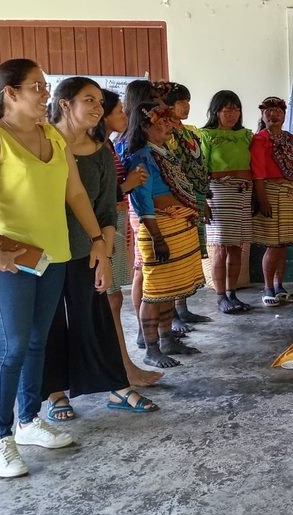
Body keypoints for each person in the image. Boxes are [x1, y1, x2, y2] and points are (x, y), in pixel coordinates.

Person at [0, 59, 110, 477]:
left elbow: (75, 194)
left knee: (37, 343)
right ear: (10, 93)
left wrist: (98, 240)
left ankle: (28, 421)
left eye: (45, 86)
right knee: (12, 347)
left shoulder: (52, 137)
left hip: (52, 257)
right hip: (6, 261)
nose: (45, 94)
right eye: (36, 87)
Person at [43, 78, 159, 421]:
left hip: (87, 250)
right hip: (45, 252)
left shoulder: (100, 151)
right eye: (88, 100)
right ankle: (55, 393)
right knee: (50, 322)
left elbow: (107, 209)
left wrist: (104, 255)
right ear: (65, 104)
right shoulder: (40, 146)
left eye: (99, 101)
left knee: (96, 317)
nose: (97, 108)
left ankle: (117, 387)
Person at [124, 102, 207, 368]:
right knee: (154, 291)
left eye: (169, 122)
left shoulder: (162, 152)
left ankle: (167, 339)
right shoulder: (141, 157)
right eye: (161, 123)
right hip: (160, 229)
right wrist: (157, 237)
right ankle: (151, 349)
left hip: (176, 228)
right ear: (145, 127)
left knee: (171, 289)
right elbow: (143, 201)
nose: (169, 126)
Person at [100, 90, 162, 387]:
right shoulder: (96, 148)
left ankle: (123, 368)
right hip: (102, 227)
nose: (125, 117)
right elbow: (95, 194)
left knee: (114, 299)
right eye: (119, 112)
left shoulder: (108, 145)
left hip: (115, 222)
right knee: (111, 298)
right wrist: (129, 184)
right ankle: (120, 371)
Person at [162, 83, 212, 327]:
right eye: (180, 102)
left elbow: (200, 165)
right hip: (177, 199)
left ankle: (183, 308)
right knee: (177, 253)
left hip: (195, 197)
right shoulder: (164, 133)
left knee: (190, 254)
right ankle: (171, 313)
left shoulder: (191, 132)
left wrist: (204, 199)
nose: (186, 106)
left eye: (187, 101)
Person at [251, 97, 293, 308]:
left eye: (278, 111)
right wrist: (262, 199)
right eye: (269, 111)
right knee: (273, 244)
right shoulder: (260, 139)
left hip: (289, 194)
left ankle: (279, 286)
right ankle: (268, 288)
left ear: (284, 115)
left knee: (284, 244)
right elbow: (257, 173)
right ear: (262, 115)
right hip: (270, 192)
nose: (273, 115)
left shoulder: (290, 139)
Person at [200, 91, 253, 313]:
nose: (232, 114)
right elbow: (200, 169)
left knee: (236, 247)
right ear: (216, 111)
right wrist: (203, 201)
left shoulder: (246, 135)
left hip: (243, 193)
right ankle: (221, 296)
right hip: (218, 194)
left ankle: (232, 293)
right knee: (220, 247)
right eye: (227, 109)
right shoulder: (206, 135)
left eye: (236, 109)